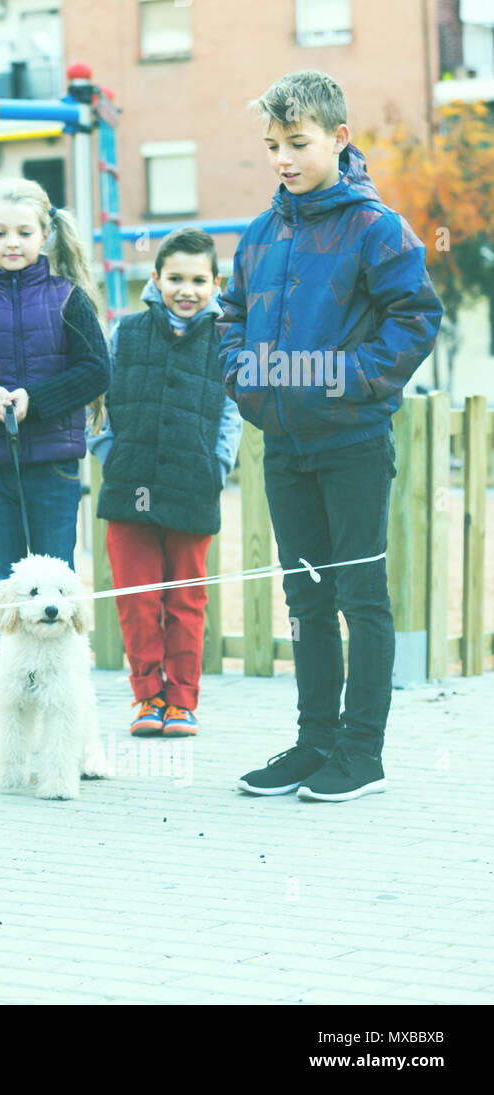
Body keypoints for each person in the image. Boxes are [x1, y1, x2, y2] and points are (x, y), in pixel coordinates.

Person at [219, 70, 442, 801]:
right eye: (273, 144)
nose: (283, 158)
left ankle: (361, 751)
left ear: (339, 139)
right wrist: (246, 382)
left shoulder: (376, 228)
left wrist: (344, 378)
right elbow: (229, 317)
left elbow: (416, 316)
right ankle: (314, 744)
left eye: (298, 143)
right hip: (283, 448)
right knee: (307, 599)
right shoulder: (261, 234)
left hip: (350, 445)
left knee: (359, 595)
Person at [0, 179, 110, 758]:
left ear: (45, 236)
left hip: (54, 468)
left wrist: (37, 396)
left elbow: (94, 372)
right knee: (8, 595)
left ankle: (71, 724)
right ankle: (6, 719)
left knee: (57, 595)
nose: (11, 243)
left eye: (23, 233)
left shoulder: (68, 299)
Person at [87, 228, 241, 738]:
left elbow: (232, 414)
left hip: (193, 485)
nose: (186, 289)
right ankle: (147, 696)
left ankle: (182, 700)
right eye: (175, 278)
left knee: (185, 598)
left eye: (199, 280)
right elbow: (98, 396)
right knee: (137, 598)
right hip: (129, 483)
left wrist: (217, 466)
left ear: (215, 283)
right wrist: (108, 451)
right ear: (155, 279)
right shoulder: (125, 332)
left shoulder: (226, 339)